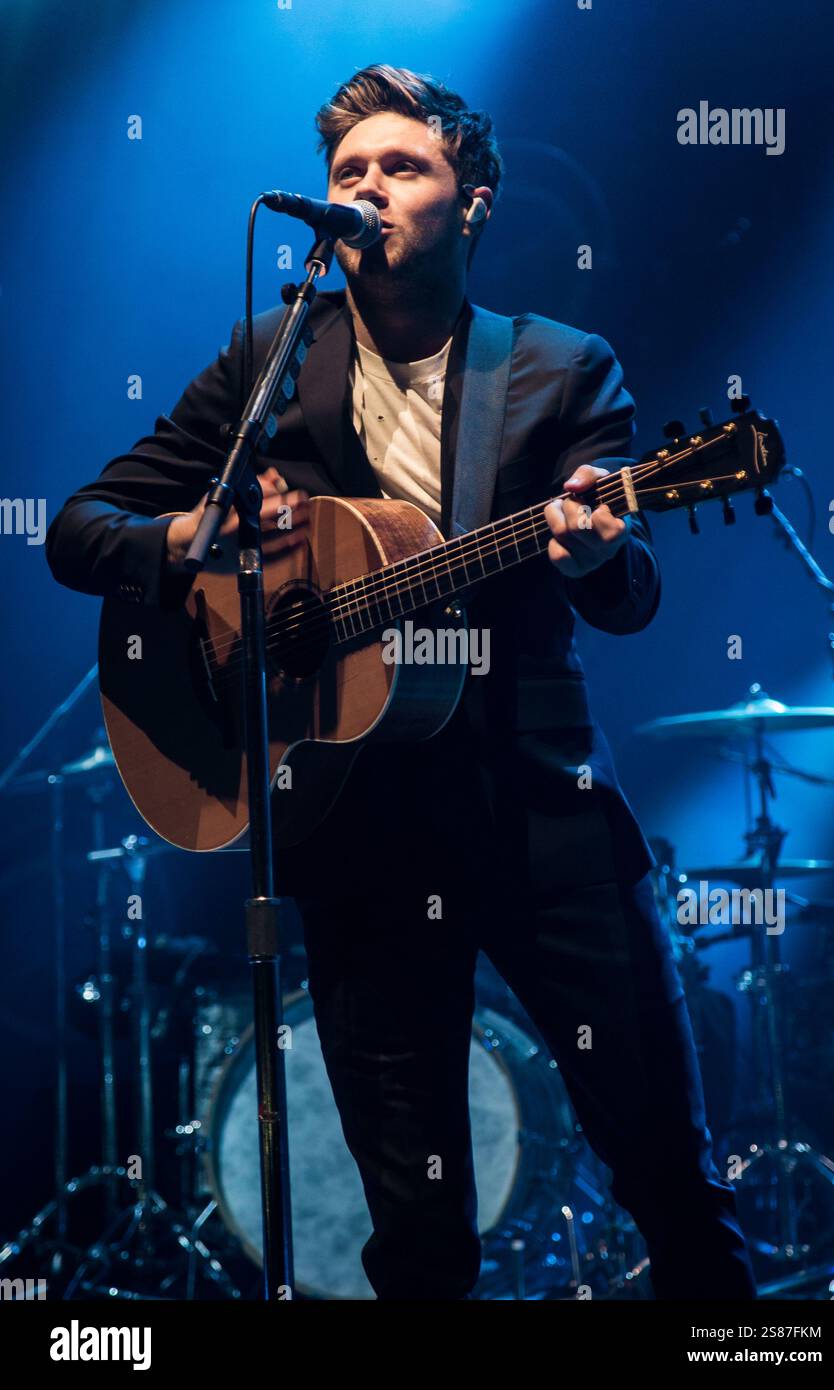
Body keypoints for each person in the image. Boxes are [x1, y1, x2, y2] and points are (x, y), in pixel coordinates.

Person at [46, 63, 755, 1301]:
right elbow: (78, 526)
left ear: (469, 202)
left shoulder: (556, 366)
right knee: (414, 1233)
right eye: (347, 173)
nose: (366, 187)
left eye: (401, 167)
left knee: (668, 1179)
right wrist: (183, 544)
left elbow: (628, 598)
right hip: (356, 833)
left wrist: (600, 550)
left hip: (540, 815)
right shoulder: (271, 359)